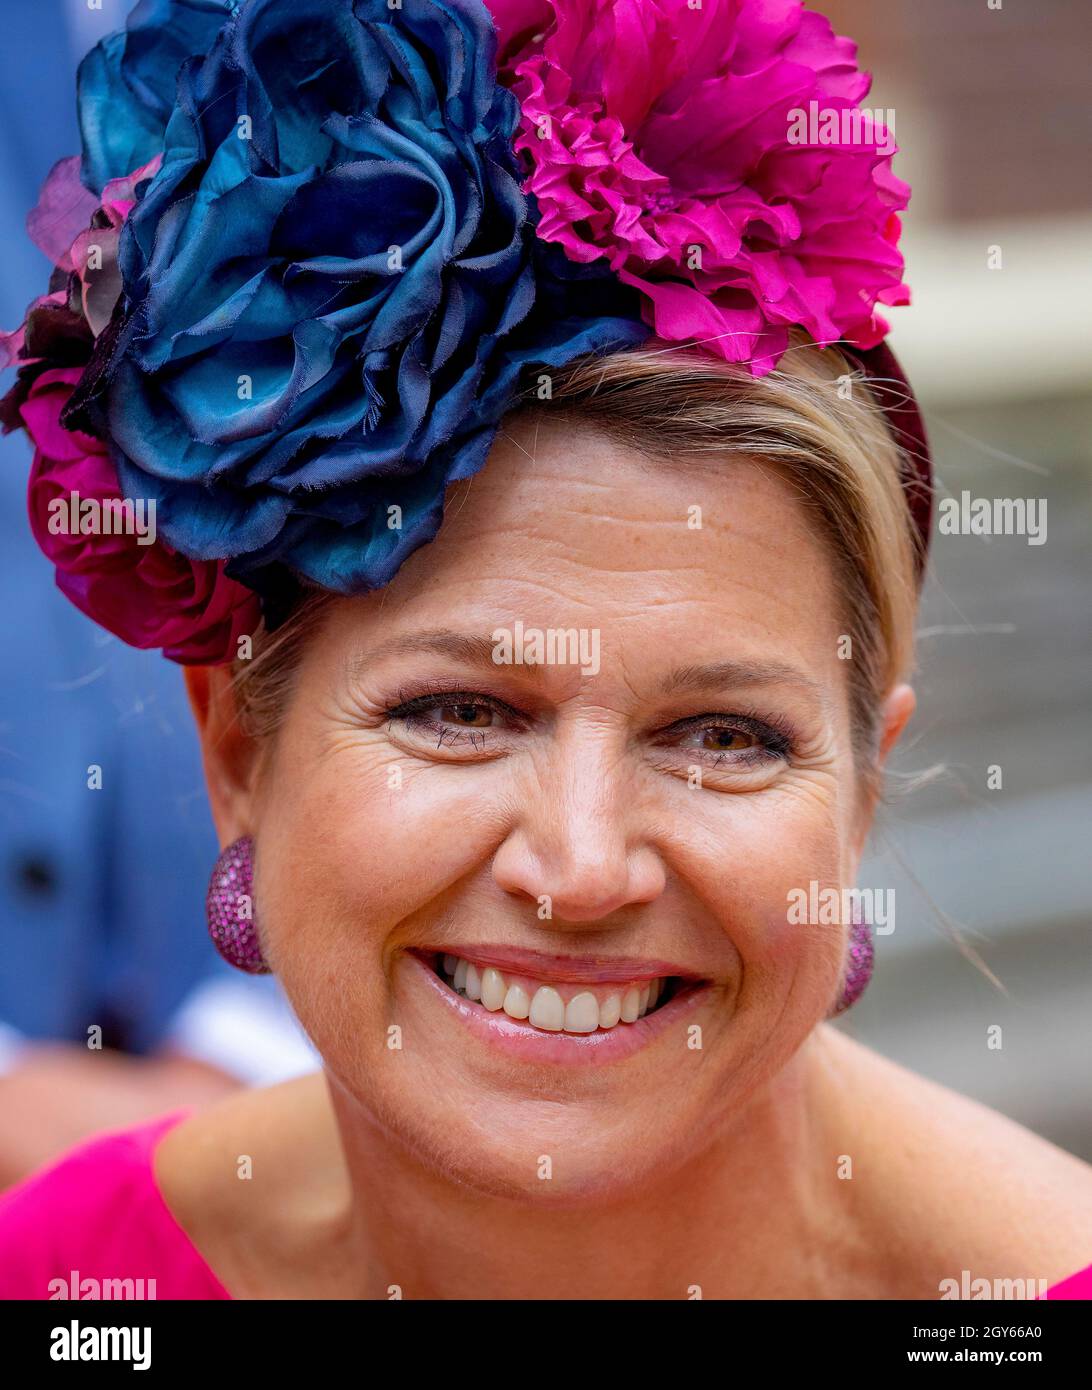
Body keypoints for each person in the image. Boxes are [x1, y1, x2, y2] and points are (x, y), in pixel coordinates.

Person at [0, 0, 1089, 1300]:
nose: (581, 869)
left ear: (860, 793)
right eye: (461, 710)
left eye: (725, 735)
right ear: (237, 751)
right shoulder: (77, 1280)